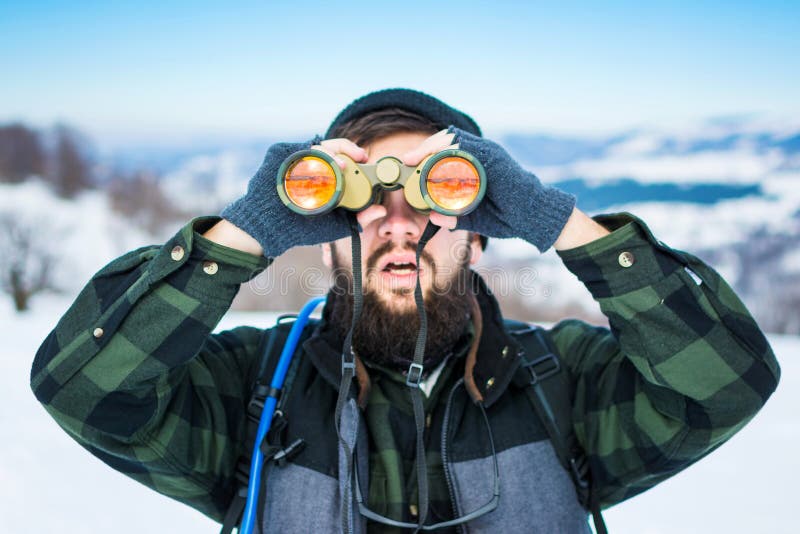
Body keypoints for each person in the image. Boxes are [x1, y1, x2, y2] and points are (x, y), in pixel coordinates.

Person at [31, 88, 780, 533]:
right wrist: (247, 229)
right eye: (360, 205)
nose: (396, 223)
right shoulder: (252, 395)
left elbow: (726, 383)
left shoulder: (563, 387)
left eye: (434, 195)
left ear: (480, 238)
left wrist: (562, 223)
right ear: (321, 241)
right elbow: (85, 390)